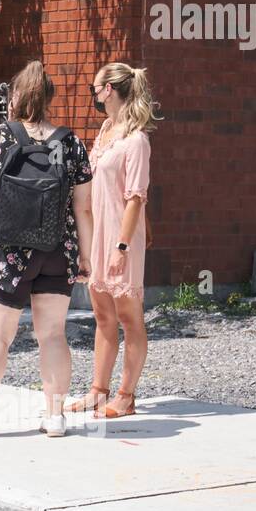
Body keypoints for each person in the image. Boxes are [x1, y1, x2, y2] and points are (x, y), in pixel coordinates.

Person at [0, 61, 94, 439]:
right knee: (53, 335)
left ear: (15, 97)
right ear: (48, 99)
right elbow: (84, 206)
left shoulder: (3, 135)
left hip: (10, 251)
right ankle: (55, 416)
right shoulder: (70, 141)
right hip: (57, 249)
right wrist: (86, 256)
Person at [67, 63, 157, 419]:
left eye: (95, 88)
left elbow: (136, 196)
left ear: (108, 90)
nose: (94, 95)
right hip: (99, 232)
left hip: (121, 237)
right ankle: (98, 390)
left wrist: (123, 245)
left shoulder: (137, 140)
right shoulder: (106, 130)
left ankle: (126, 395)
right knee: (103, 315)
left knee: (129, 316)